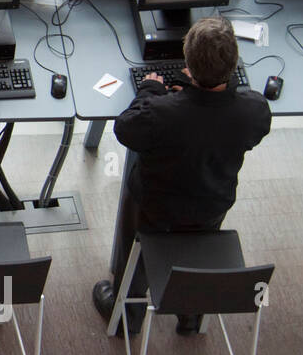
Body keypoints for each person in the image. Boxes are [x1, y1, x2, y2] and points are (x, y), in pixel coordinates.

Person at [93, 17, 270, 336]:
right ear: (233, 65)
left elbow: (125, 127)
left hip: (156, 212)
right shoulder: (253, 110)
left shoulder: (162, 113)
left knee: (139, 219)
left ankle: (127, 319)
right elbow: (241, 121)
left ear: (188, 61)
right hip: (211, 207)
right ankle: (190, 317)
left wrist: (151, 88)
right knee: (200, 243)